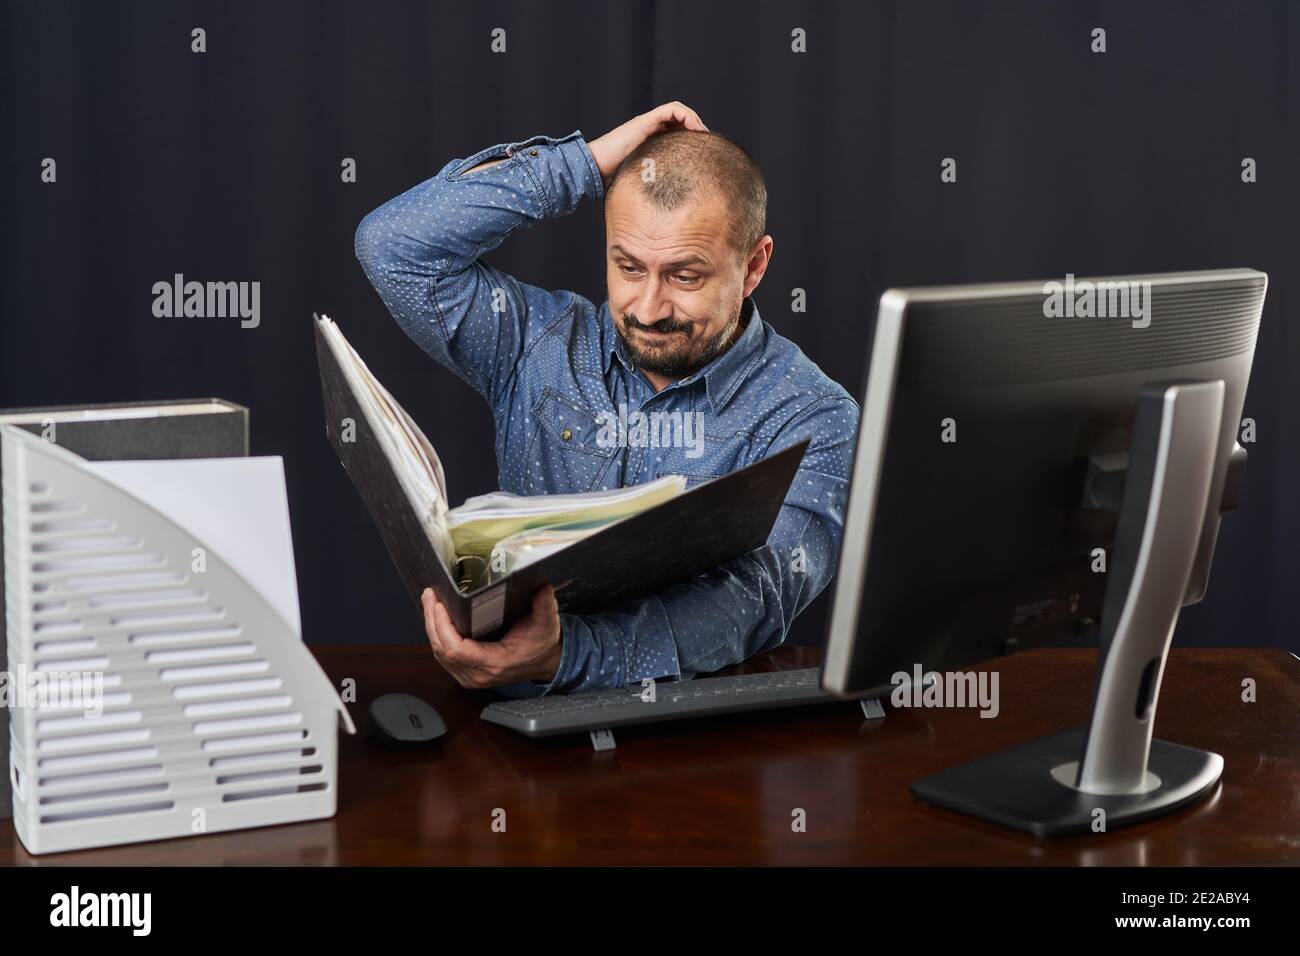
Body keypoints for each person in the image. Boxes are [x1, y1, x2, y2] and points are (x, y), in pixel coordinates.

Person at [355, 102, 860, 694]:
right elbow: (392, 248)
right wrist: (585, 165)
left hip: (697, 747)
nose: (648, 309)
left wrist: (568, 656)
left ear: (753, 267)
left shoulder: (816, 418)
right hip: (510, 730)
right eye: (627, 266)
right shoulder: (533, 343)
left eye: (685, 276)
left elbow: (758, 593)